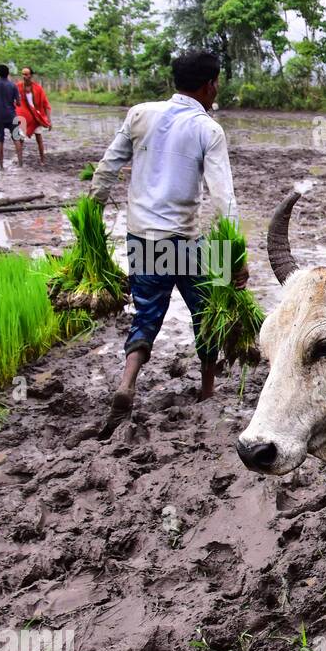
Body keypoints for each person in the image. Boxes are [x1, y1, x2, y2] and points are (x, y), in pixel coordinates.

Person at [89, 50, 249, 417]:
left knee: (146, 312)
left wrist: (93, 214)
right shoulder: (208, 128)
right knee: (207, 312)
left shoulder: (140, 114)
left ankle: (127, 383)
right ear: (211, 85)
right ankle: (207, 389)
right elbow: (223, 197)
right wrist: (236, 256)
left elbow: (107, 168)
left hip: (143, 236)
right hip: (188, 240)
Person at [0, 64, 24, 170]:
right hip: (11, 115)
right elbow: (19, 103)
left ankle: (1, 166)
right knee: (16, 138)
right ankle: (20, 163)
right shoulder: (13, 85)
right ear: (8, 73)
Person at [15, 67, 51, 166]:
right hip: (23, 117)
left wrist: (49, 120)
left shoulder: (38, 88)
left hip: (36, 118)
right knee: (20, 139)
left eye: (26, 74)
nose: (24, 76)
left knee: (39, 138)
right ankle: (20, 161)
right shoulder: (17, 87)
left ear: (31, 75)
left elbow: (45, 104)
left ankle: (42, 160)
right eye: (23, 74)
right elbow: (12, 100)